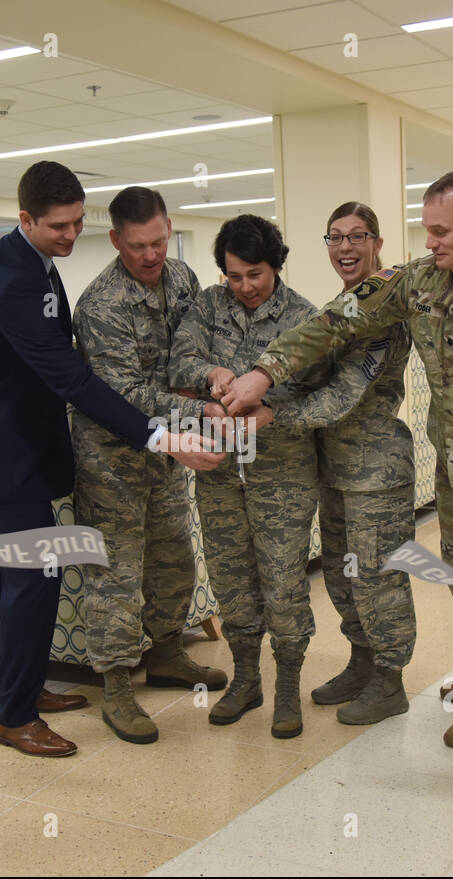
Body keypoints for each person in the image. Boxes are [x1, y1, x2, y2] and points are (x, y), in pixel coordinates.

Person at [223, 170, 453, 749]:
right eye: (426, 229)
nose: (429, 242)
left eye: (439, 230)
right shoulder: (419, 283)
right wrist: (265, 371)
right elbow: (334, 322)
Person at [0, 161, 223, 758]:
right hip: (4, 454)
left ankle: (10, 689)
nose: (71, 236)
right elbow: (75, 378)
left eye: (77, 223)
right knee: (31, 581)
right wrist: (161, 436)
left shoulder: (28, 260)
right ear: (26, 219)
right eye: (58, 227)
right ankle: (15, 717)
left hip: (14, 446)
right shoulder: (16, 282)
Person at [70, 186, 229, 744]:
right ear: (115, 240)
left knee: (174, 557)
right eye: (138, 246)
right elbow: (126, 394)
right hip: (111, 458)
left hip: (166, 454)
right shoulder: (100, 305)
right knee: (116, 575)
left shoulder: (183, 279)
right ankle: (116, 686)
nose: (151, 255)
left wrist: (214, 375)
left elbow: (193, 348)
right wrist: (201, 408)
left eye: (159, 241)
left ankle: (165, 655)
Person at [167, 214, 321, 739]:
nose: (245, 287)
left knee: (283, 583)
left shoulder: (304, 317)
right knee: (232, 580)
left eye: (255, 274)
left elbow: (317, 389)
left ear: (275, 265)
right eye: (234, 276)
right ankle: (247, 680)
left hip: (282, 475)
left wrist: (269, 407)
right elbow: (180, 360)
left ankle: (287, 689)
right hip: (220, 475)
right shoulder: (208, 307)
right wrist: (209, 376)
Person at [271, 203, 416, 725]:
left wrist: (268, 417)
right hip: (333, 468)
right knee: (341, 573)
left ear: (378, 242)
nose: (345, 248)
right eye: (335, 237)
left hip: (376, 471)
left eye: (357, 236)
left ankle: (391, 680)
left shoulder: (383, 310)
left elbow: (342, 397)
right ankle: (363, 660)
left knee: (379, 578)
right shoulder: (340, 305)